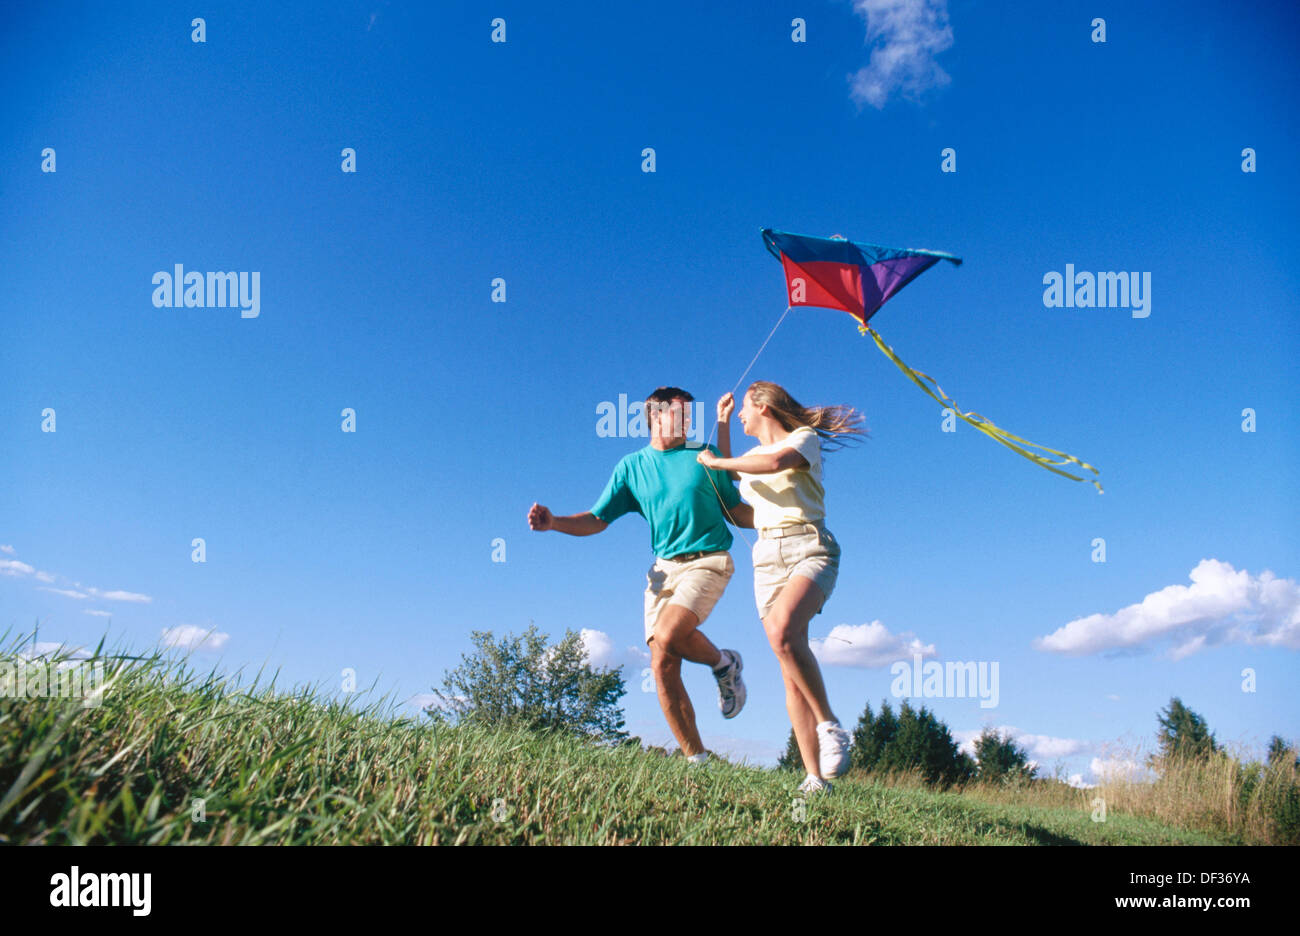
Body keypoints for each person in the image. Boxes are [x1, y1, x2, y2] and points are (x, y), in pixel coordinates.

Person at [527, 386, 752, 765]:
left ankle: (722, 665)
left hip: (708, 560)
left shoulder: (704, 456)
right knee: (661, 661)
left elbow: (735, 510)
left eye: (690, 414)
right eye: (679, 413)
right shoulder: (631, 468)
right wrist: (554, 523)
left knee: (668, 635)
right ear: (655, 417)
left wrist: (784, 521)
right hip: (663, 570)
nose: (688, 421)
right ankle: (698, 761)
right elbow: (598, 520)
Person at [696, 381, 865, 794]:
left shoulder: (802, 441)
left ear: (765, 407)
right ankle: (814, 778)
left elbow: (775, 464)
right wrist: (720, 424)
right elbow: (738, 479)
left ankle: (830, 725)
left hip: (810, 547)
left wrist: (716, 464)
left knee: (782, 631)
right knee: (789, 667)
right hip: (766, 560)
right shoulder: (750, 456)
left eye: (744, 411)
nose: (741, 416)